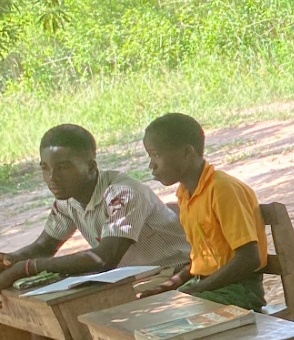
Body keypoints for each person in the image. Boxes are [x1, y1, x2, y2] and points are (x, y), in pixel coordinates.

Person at [0, 124, 189, 292]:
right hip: (136, 276)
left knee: (85, 307)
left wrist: (29, 267)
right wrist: (10, 260)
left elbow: (104, 258)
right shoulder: (68, 201)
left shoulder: (122, 193)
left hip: (174, 271)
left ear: (91, 167)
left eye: (63, 167)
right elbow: (44, 247)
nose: (52, 177)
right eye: (45, 168)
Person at [138, 114, 271, 311]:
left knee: (175, 316)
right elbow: (201, 260)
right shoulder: (185, 194)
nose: (152, 165)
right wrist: (170, 285)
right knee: (149, 311)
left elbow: (249, 258)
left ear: (186, 152)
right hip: (208, 284)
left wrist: (196, 290)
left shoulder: (222, 189)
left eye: (156, 155)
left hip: (239, 290)